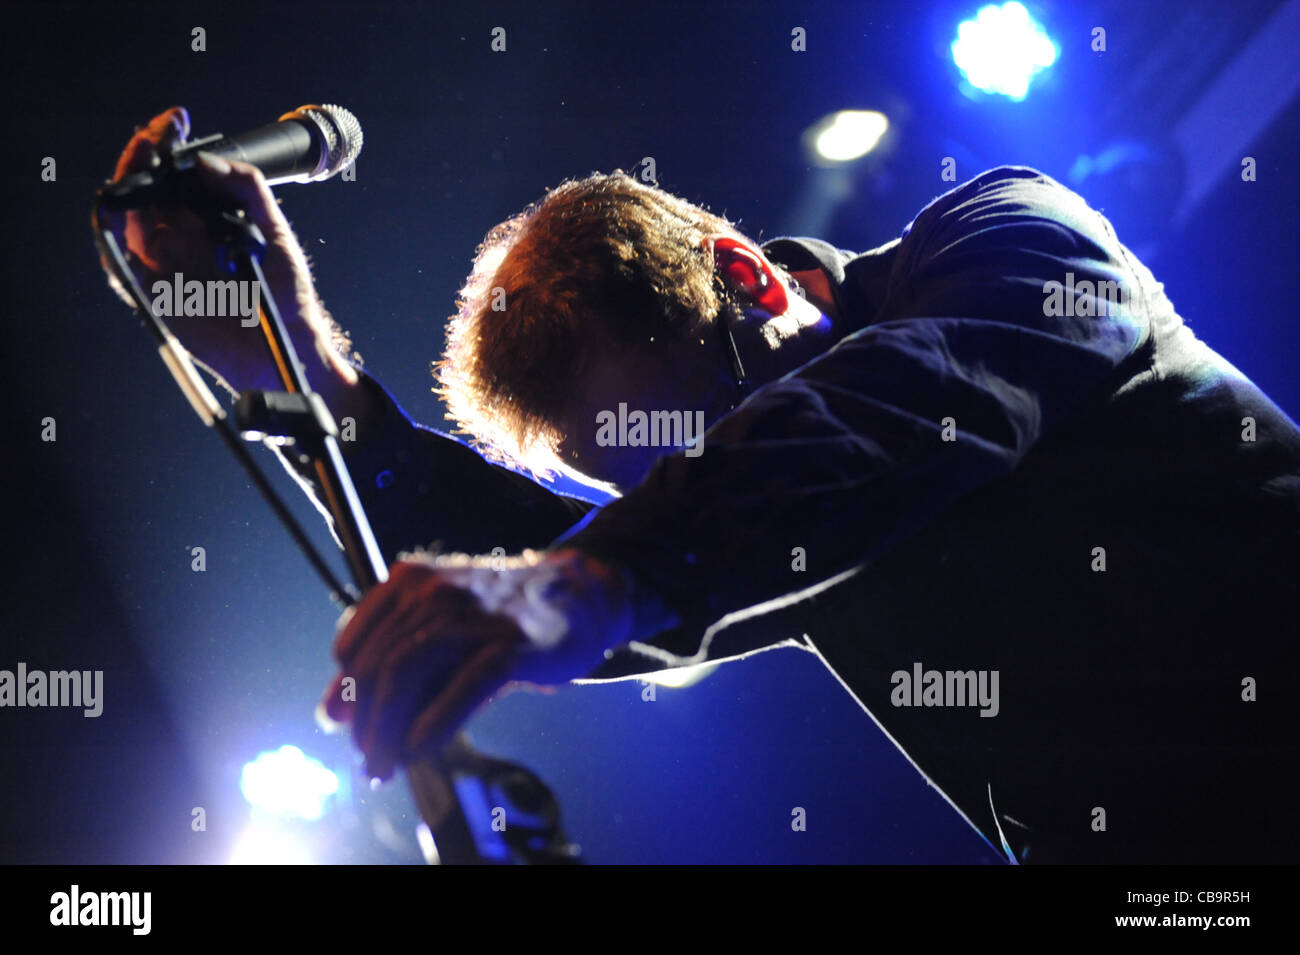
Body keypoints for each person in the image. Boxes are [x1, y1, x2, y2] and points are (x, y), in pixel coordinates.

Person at [102, 107, 1300, 864]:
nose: (712, 472)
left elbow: (890, 411)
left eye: (707, 431)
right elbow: (542, 554)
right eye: (642, 486)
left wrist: (597, 572)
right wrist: (299, 369)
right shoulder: (731, 524)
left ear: (746, 274)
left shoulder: (1011, 236)